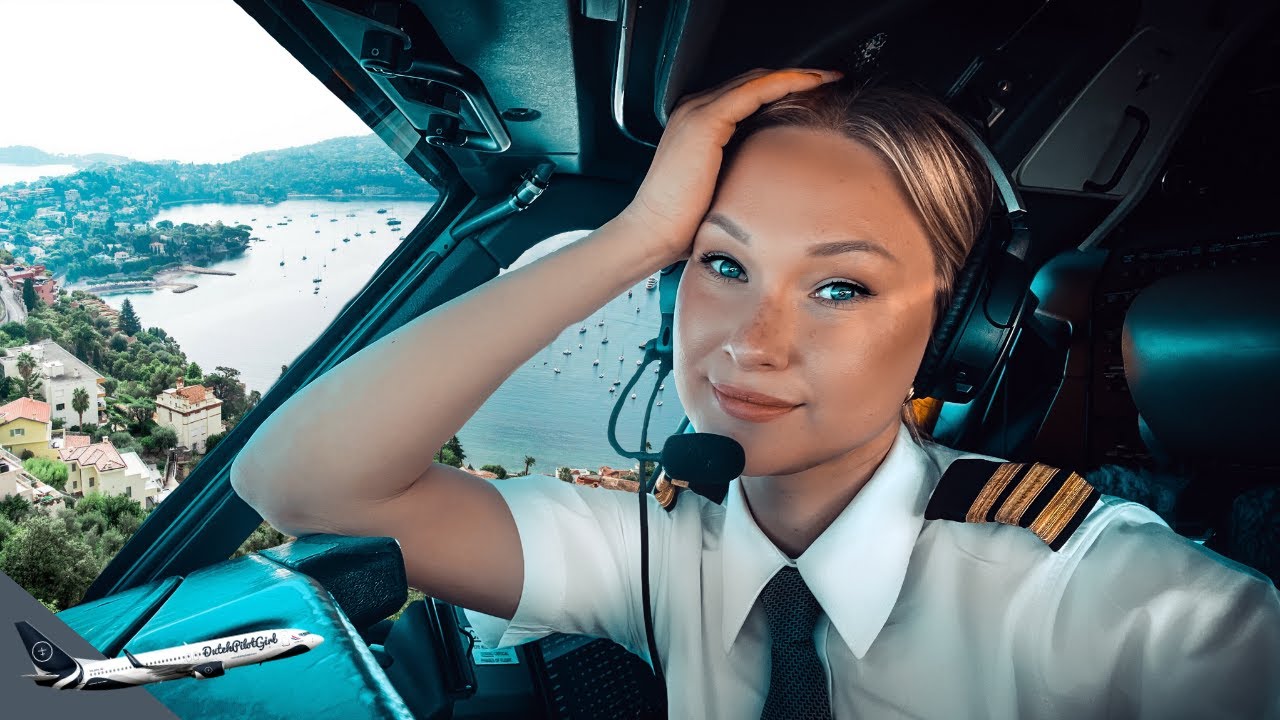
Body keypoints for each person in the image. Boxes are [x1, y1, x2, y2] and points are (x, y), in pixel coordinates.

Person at [229, 69, 1280, 718]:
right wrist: (634, 235)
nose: (750, 346)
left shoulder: (1110, 600)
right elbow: (307, 484)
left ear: (958, 333)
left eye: (839, 287)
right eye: (722, 267)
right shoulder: (659, 552)